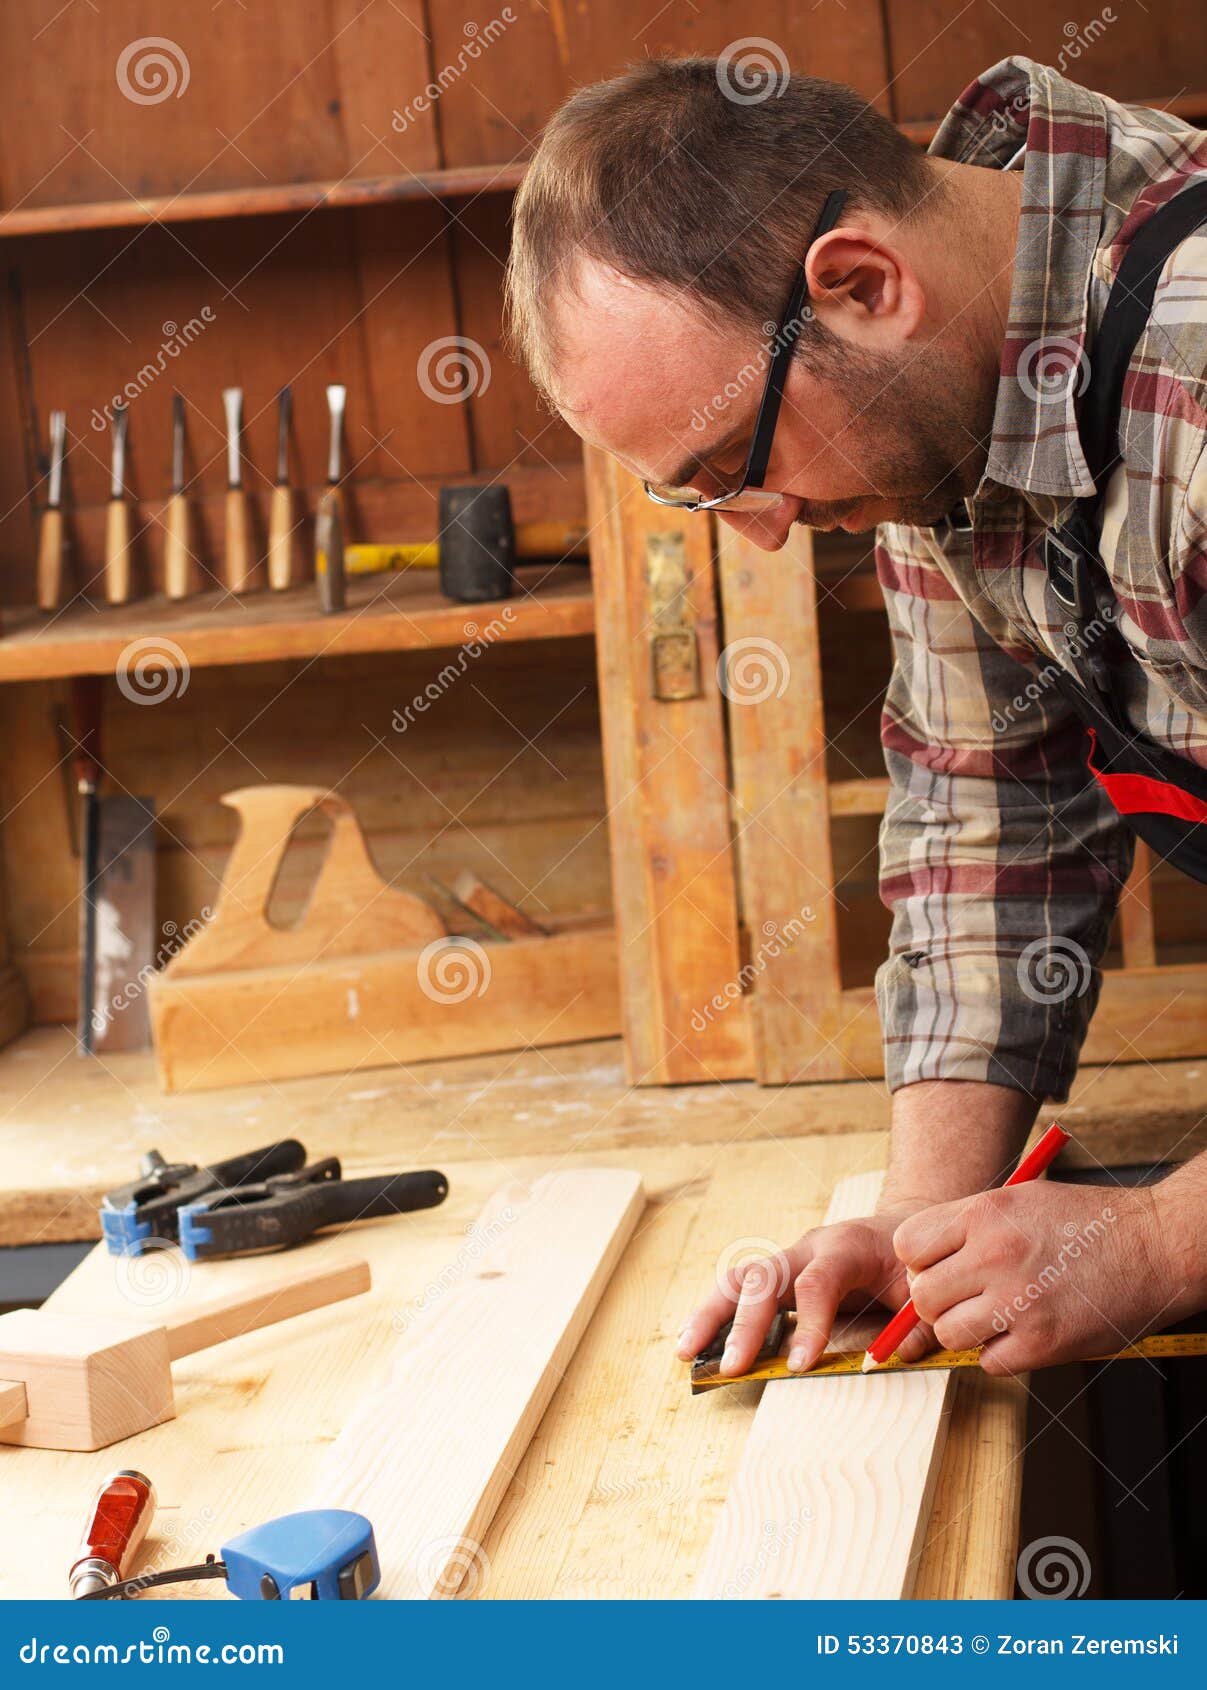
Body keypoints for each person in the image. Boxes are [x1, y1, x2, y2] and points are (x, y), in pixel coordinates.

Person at [503, 55, 1207, 1375]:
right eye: (697, 499)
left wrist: (1163, 1240)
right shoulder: (944, 405)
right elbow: (988, 810)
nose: (762, 532)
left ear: (863, 286)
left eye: (738, 465)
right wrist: (916, 1219)